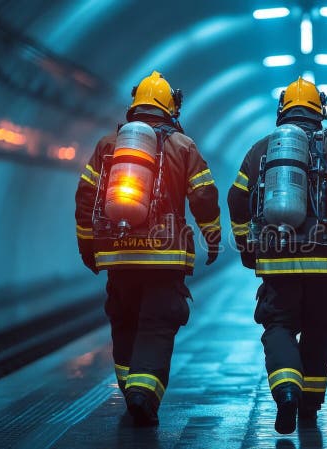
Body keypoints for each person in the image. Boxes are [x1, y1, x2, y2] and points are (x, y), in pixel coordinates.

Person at [74, 71, 221, 425]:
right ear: (171, 108)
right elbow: (203, 195)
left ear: (134, 104)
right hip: (164, 258)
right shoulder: (183, 147)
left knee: (124, 323)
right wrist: (212, 236)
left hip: (118, 255)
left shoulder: (108, 145)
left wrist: (88, 246)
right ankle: (143, 394)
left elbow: (85, 198)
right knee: (156, 324)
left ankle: (130, 389)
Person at [227, 77, 327, 434]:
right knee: (320, 329)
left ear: (282, 110)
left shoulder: (260, 150)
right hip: (324, 260)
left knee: (278, 325)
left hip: (276, 257)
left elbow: (236, 199)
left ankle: (286, 392)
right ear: (320, 111)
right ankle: (309, 404)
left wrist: (248, 247)